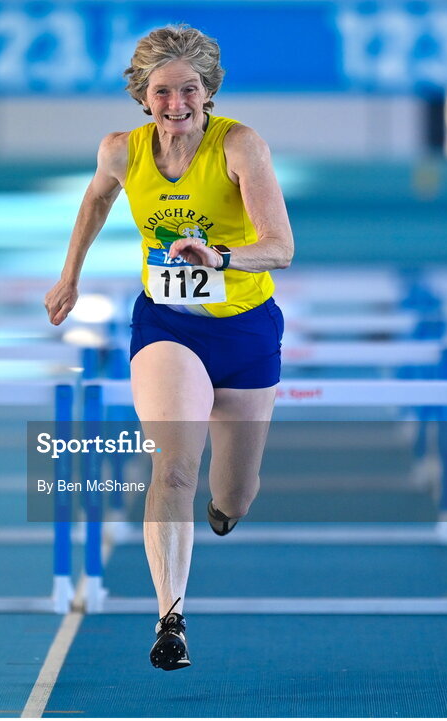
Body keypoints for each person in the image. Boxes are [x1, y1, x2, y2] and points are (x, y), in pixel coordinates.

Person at [45, 25, 293, 670]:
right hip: (168, 324)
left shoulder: (240, 145)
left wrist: (222, 255)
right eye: (162, 91)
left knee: (234, 494)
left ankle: (224, 507)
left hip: (244, 327)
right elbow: (96, 201)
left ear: (208, 93)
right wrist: (69, 274)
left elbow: (282, 247)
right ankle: (170, 617)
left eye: (189, 89)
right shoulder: (121, 151)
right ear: (142, 95)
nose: (176, 103)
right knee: (173, 466)